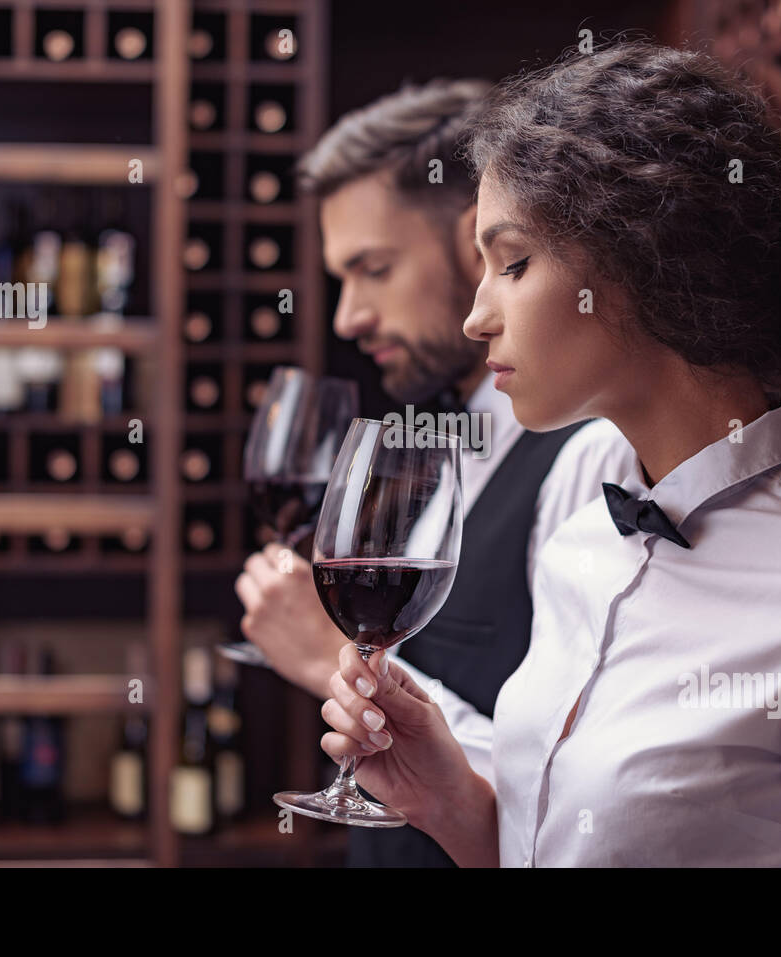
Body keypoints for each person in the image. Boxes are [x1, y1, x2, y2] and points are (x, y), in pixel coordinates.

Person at [315, 40, 781, 867]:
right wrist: (452, 801)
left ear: (641, 261)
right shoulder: (583, 541)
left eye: (512, 263)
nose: (478, 318)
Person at [234, 78, 635, 867]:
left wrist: (327, 658)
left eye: (372, 269)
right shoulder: (433, 437)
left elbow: (575, 807)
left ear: (472, 244)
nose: (348, 316)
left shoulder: (592, 454)